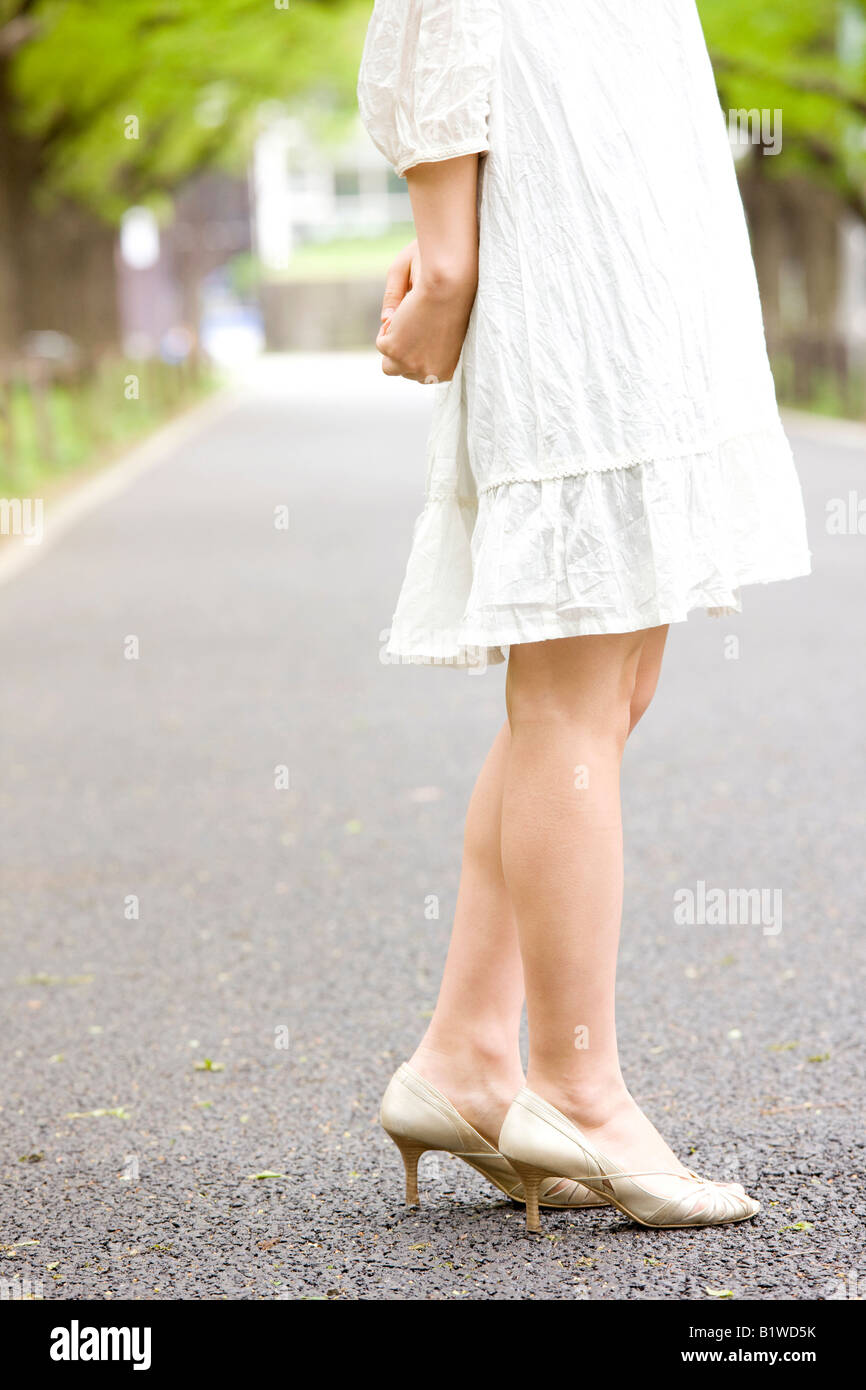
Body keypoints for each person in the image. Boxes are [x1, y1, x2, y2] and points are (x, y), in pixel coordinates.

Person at [357, 0, 810, 1232]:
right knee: (566, 690)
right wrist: (443, 252)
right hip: (575, 264)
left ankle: (464, 1055)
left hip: (636, 242)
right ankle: (575, 1086)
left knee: (608, 690)